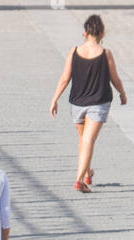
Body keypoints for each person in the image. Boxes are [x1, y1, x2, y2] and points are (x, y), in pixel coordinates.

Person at [49, 14, 127, 192]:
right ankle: (79, 180)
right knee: (88, 140)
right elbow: (115, 78)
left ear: (85, 33)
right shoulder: (106, 53)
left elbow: (64, 79)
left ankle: (86, 173)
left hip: (77, 103)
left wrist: (54, 99)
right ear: (102, 33)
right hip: (98, 103)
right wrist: (122, 93)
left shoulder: (74, 51)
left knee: (84, 141)